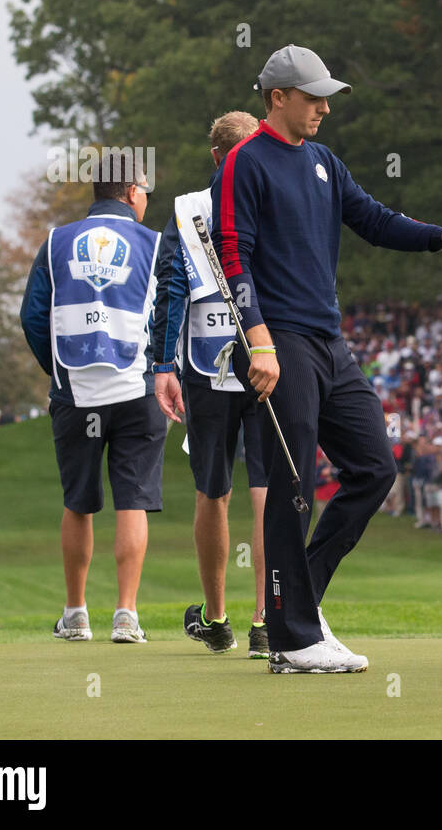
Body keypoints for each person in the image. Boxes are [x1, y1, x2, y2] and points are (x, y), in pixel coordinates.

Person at [215, 43, 442, 673]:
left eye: (326, 98)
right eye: (313, 98)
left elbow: (373, 219)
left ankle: (296, 605)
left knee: (374, 468)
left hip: (329, 344)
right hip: (279, 341)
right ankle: (291, 638)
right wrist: (257, 339)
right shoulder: (244, 163)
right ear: (277, 98)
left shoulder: (323, 163)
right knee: (294, 487)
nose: (324, 109)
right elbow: (233, 254)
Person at [20, 150, 164, 644]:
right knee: (133, 501)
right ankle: (126, 615)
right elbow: (165, 318)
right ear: (129, 192)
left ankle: (76, 613)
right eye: (144, 189)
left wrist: (59, 370)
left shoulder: (56, 241)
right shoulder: (155, 243)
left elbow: (33, 317)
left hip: (75, 393)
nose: (146, 197)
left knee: (78, 503)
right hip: (136, 388)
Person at [149, 110, 271, 658]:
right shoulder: (274, 199)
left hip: (206, 363)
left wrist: (162, 366)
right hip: (269, 354)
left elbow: (172, 288)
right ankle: (266, 619)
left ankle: (217, 618)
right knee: (266, 490)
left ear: (215, 157)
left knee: (213, 489)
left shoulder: (188, 210)